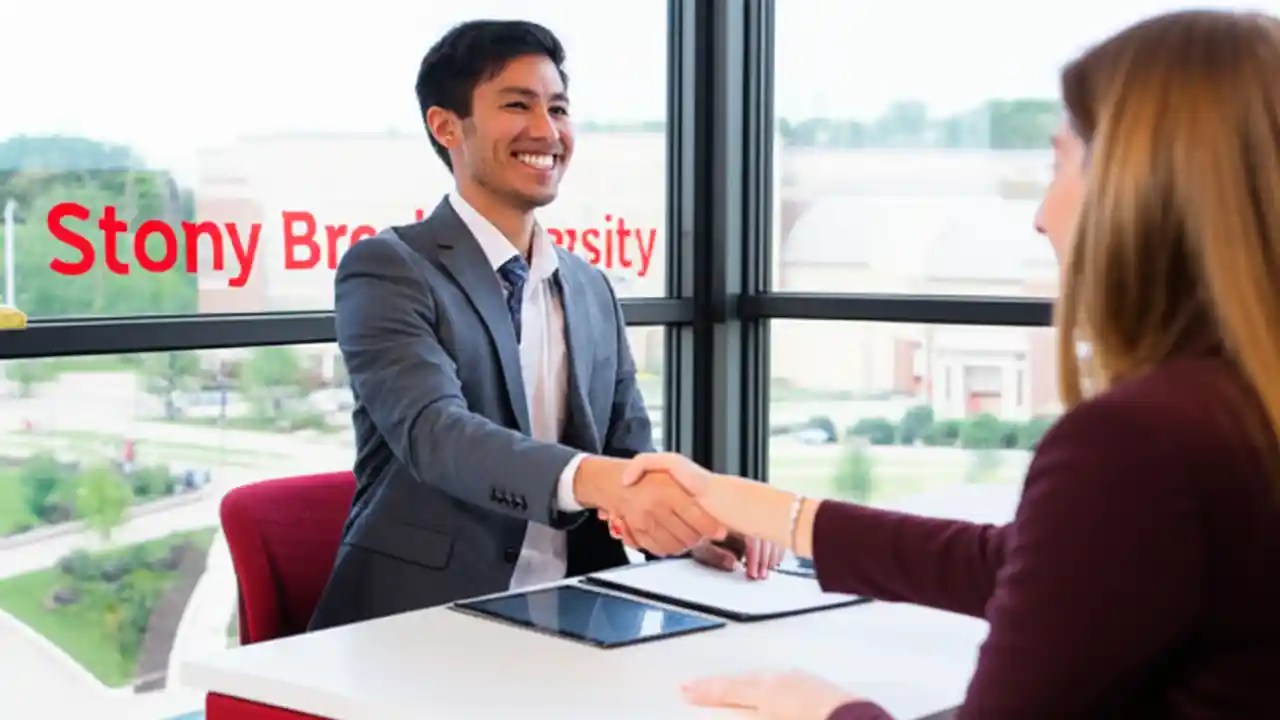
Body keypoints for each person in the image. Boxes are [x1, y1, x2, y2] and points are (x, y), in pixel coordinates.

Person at [611, 9, 1280, 719]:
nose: (1041, 216)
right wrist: (737, 500)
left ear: (1140, 189)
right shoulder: (1239, 408)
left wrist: (826, 708)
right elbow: (1033, 567)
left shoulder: (1139, 442)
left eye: (1060, 165)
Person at [309, 19, 778, 632]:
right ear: (445, 125)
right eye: (517, 104)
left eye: (558, 107)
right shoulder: (390, 269)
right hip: (421, 621)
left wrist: (694, 523)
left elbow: (627, 453)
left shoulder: (589, 287)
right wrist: (601, 481)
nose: (547, 131)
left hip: (580, 610)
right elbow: (436, 434)